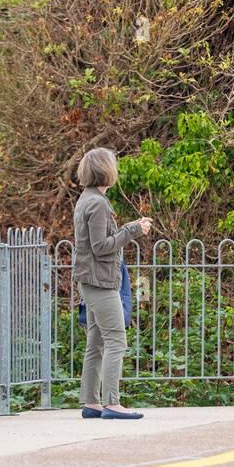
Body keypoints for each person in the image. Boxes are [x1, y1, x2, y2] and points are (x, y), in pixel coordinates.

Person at [72, 147, 151, 418]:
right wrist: (132, 230)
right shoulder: (97, 203)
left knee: (96, 342)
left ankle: (91, 402)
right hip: (101, 282)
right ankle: (111, 404)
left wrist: (128, 228)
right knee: (116, 339)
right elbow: (100, 246)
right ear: (106, 170)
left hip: (91, 280)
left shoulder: (87, 198)